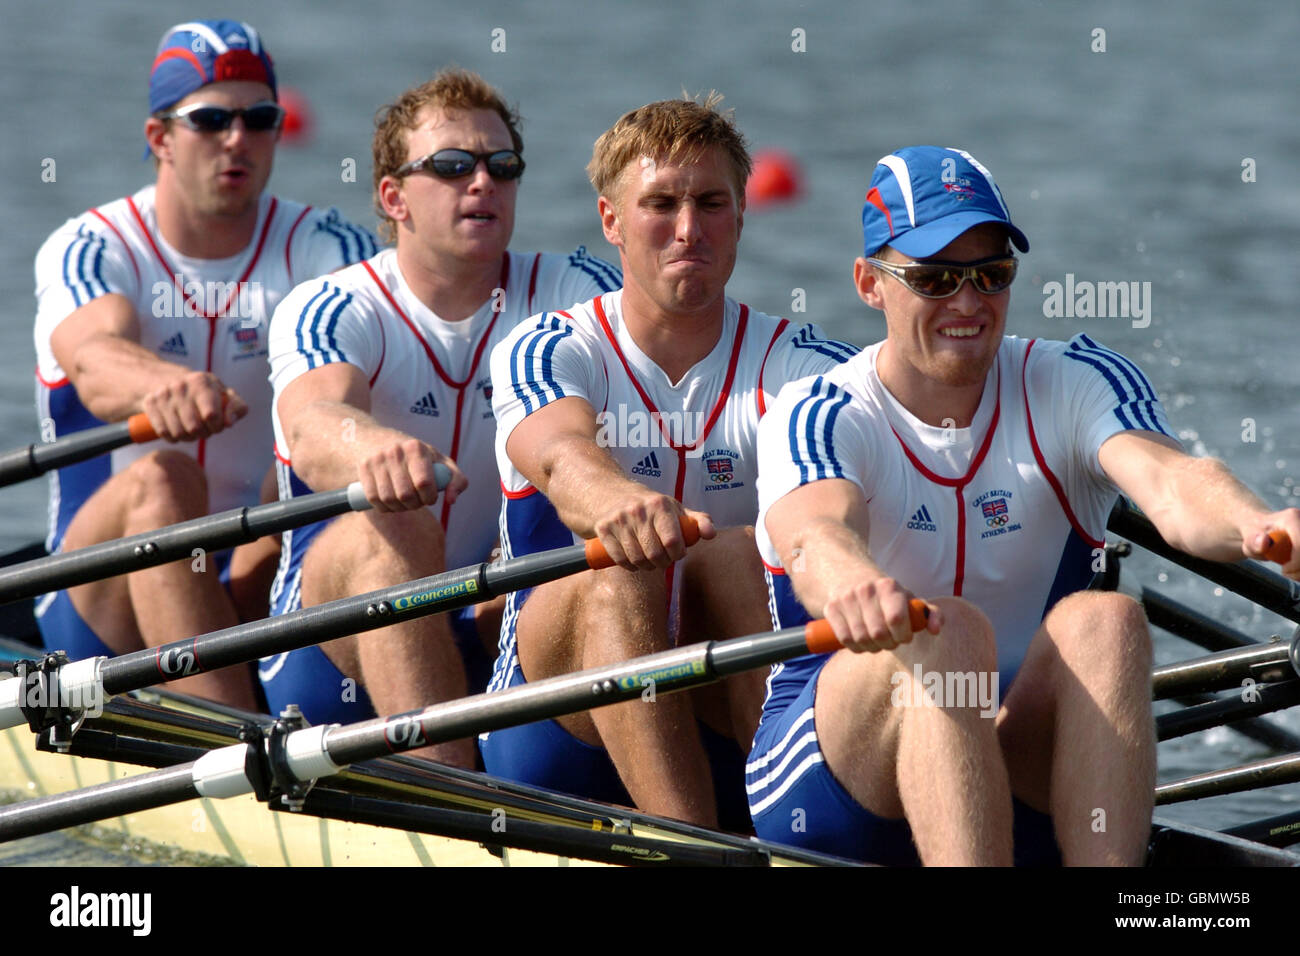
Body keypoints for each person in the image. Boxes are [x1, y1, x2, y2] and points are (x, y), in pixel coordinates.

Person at [747, 145, 1300, 865]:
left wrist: (1259, 524)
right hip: (836, 789)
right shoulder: (820, 410)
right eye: (936, 278)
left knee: (1107, 619)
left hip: (1013, 769)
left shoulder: (1075, 380)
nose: (969, 303)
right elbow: (813, 532)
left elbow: (1175, 484)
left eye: (992, 274)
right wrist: (848, 581)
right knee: (944, 631)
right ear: (869, 283)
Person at [480, 96, 858, 828]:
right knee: (620, 569)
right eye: (660, 203)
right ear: (611, 222)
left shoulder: (804, 367)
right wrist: (617, 501)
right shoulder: (547, 347)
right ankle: (695, 842)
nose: (689, 228)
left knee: (729, 555)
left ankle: (804, 822)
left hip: (729, 720)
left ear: (742, 214)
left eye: (711, 202)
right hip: (555, 730)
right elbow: (559, 457)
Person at [260, 69, 621, 765]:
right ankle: (452, 798)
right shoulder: (333, 306)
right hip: (329, 648)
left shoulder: (576, 290)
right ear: (394, 197)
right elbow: (311, 422)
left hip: (496, 619)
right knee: (392, 527)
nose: (482, 182)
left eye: (502, 166)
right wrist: (373, 448)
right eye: (453, 166)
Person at [32, 20, 378, 708]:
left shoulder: (330, 249)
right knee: (164, 475)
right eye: (211, 119)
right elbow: (96, 360)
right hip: (99, 598)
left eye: (259, 118)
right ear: (160, 138)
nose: (237, 139)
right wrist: (160, 384)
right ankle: (233, 735)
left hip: (259, 571)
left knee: (330, 493)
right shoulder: (91, 247)